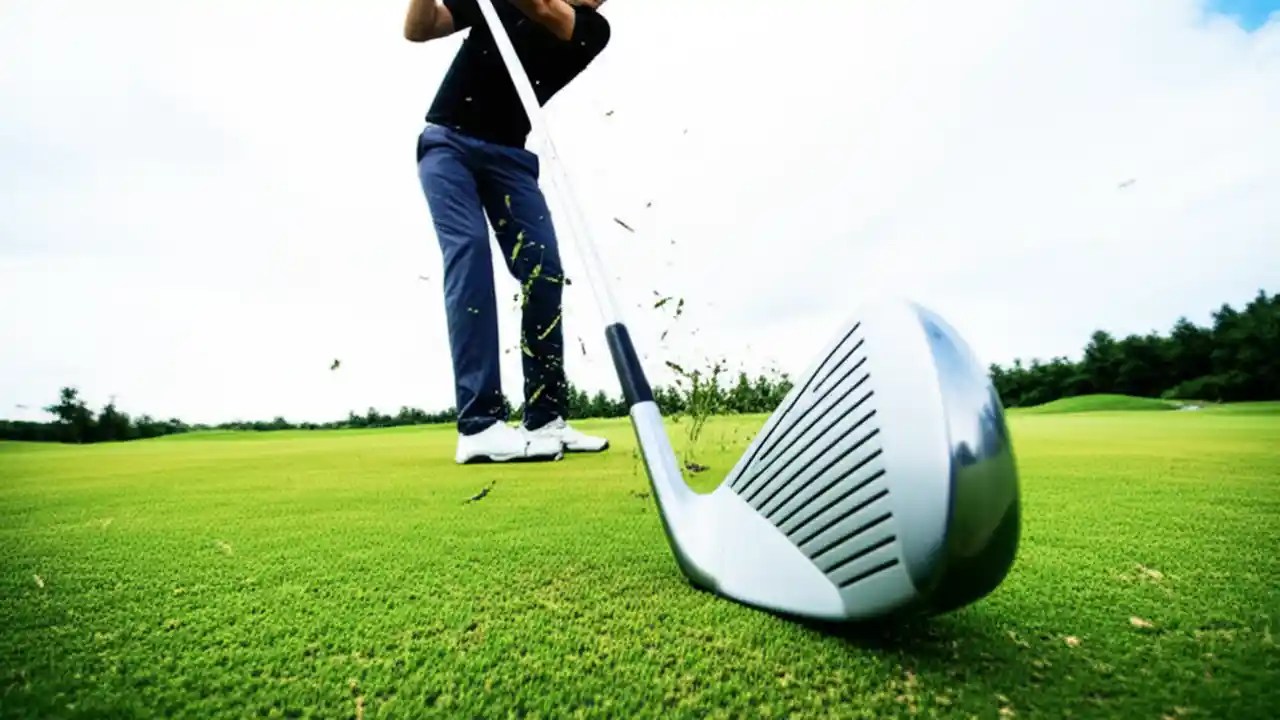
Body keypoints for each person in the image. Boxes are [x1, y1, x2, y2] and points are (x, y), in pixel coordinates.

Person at [404, 0, 612, 464]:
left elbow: (542, 8)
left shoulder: (592, 29)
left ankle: (544, 417)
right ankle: (480, 424)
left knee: (545, 273)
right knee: (470, 254)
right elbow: (420, 28)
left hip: (511, 160)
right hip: (448, 145)